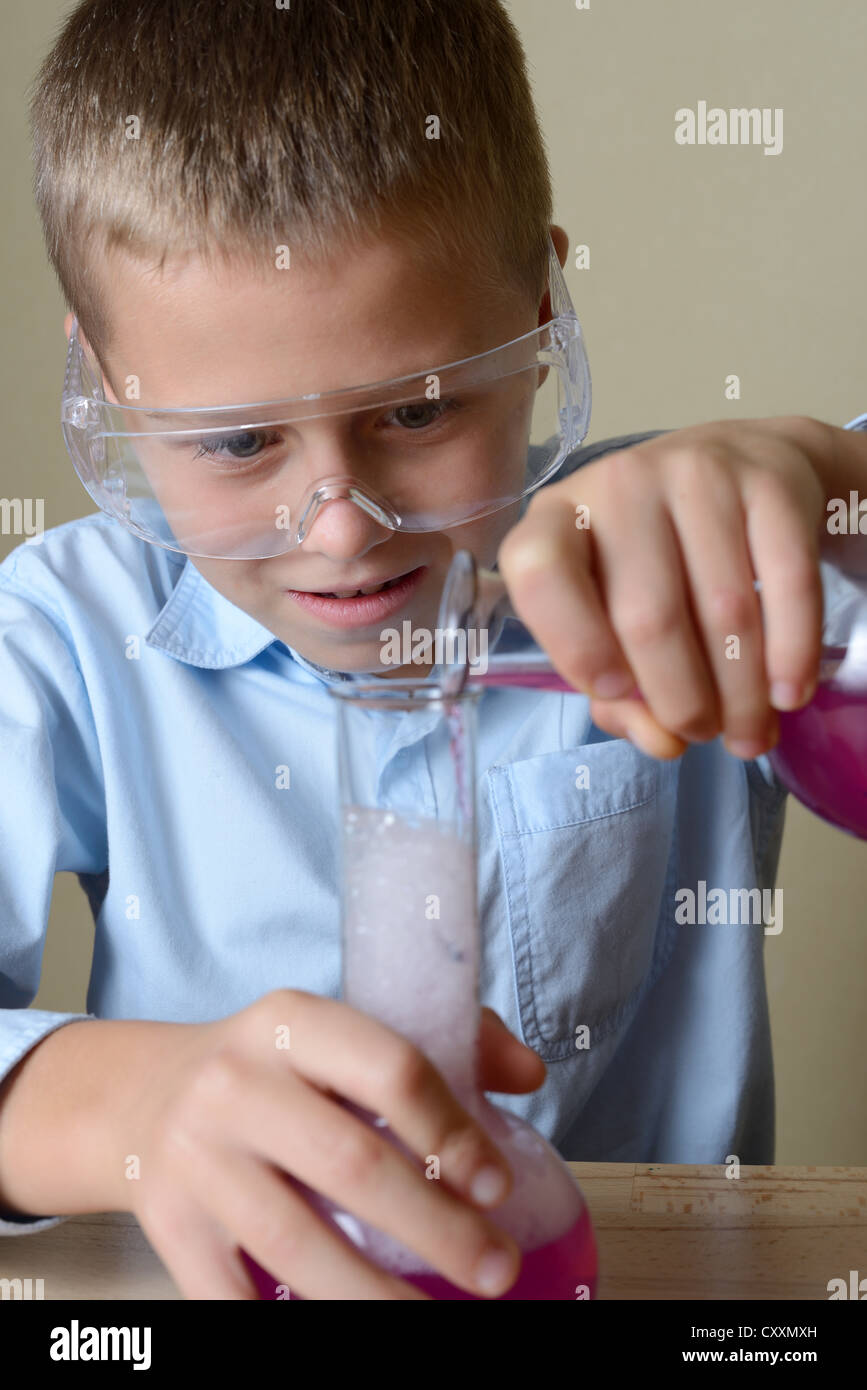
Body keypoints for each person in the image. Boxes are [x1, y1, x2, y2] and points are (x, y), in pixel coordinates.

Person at [0, 0, 864, 1301]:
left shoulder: (688, 568)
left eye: (416, 409)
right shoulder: (61, 630)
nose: (341, 525)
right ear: (113, 387)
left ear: (538, 315)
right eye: (238, 442)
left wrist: (831, 473)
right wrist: (120, 1106)